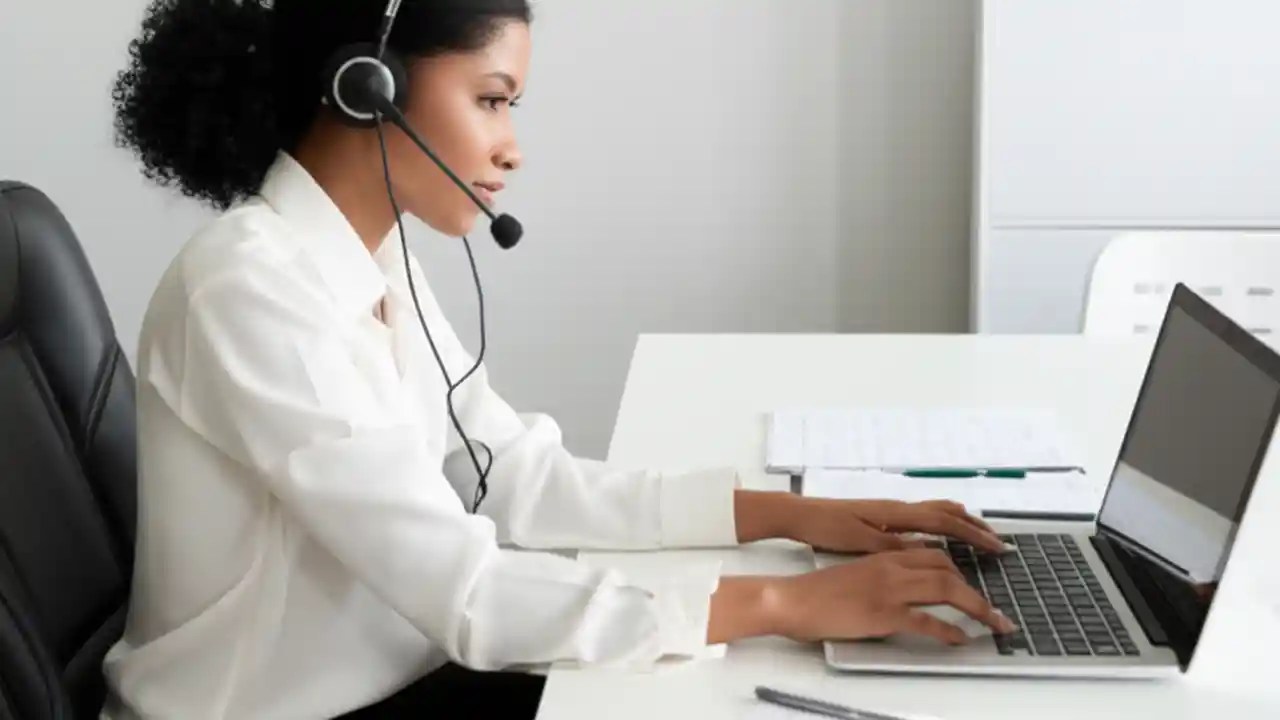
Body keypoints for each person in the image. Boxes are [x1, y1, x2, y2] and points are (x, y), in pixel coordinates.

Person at [103, 1, 1016, 717]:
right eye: (492, 98)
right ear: (368, 87)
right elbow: (465, 589)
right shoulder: (249, 291)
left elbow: (516, 479)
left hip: (400, 680)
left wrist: (790, 513)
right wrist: (780, 607)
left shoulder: (372, 257)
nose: (512, 145)